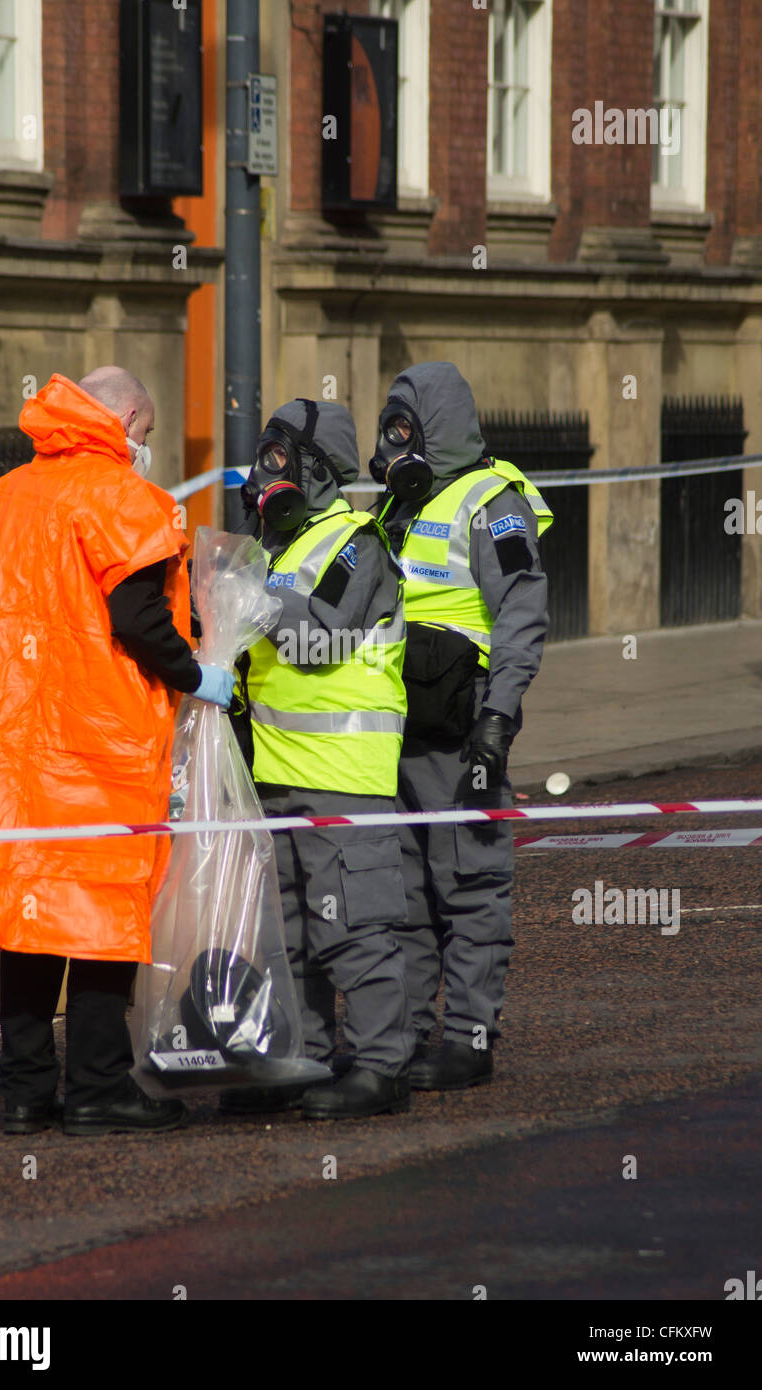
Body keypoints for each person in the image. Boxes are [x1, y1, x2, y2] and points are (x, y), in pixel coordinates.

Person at [0, 368, 234, 1137]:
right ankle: (98, 1088)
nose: (144, 448)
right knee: (103, 919)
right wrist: (195, 675)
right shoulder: (122, 499)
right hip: (97, 744)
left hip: (13, 746)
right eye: (144, 435)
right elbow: (139, 619)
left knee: (29, 912)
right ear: (132, 418)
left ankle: (23, 1093)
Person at [222, 398, 415, 1120]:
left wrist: (251, 600)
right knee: (290, 930)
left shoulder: (354, 545)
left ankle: (379, 1067)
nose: (262, 475)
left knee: (355, 929)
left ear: (316, 469)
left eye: (278, 459)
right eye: (262, 458)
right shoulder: (274, 548)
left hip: (343, 778)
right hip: (274, 772)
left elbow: (324, 636)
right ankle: (297, 1057)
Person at [369, 362, 553, 1090]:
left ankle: (469, 1039)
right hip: (399, 730)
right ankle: (412, 1034)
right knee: (408, 891)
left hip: (462, 725)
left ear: (436, 429)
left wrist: (496, 723)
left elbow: (522, 614)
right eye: (389, 430)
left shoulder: (493, 502)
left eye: (403, 430)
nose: (392, 445)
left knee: (469, 884)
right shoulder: (397, 509)